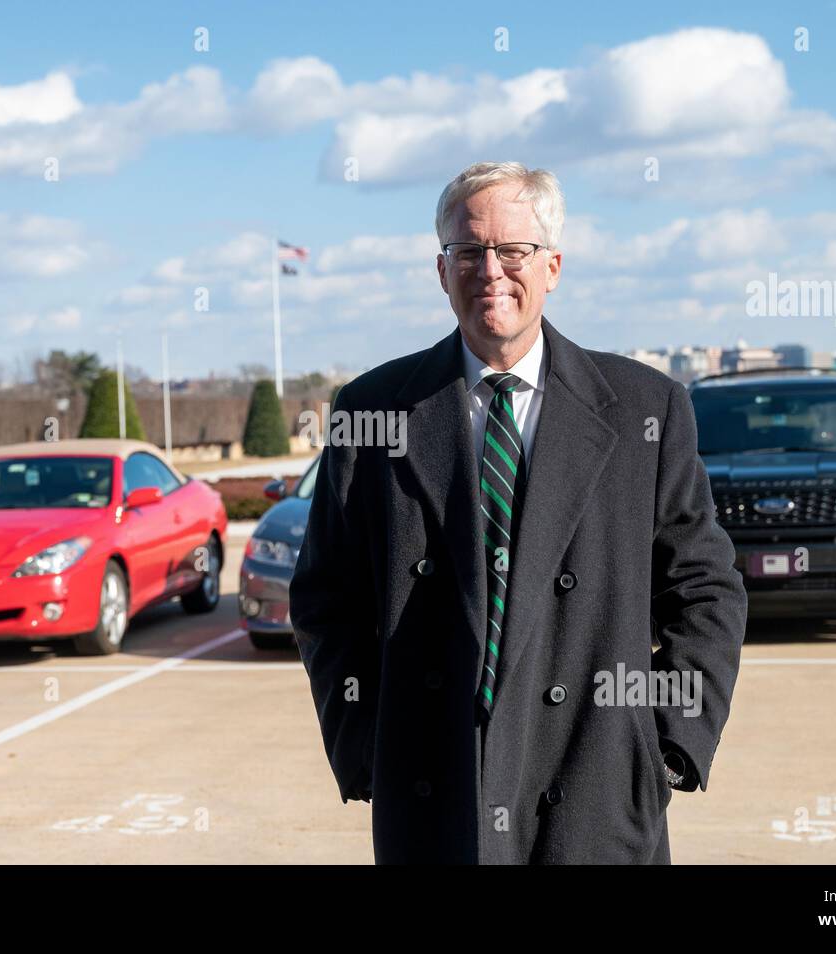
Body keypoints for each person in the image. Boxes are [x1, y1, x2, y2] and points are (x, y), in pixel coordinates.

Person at [290, 160, 747, 863]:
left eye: (513, 251)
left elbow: (705, 587)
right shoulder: (371, 410)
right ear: (441, 271)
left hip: (595, 791)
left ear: (553, 266)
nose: (490, 271)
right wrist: (365, 744)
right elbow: (327, 596)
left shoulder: (645, 408)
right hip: (434, 787)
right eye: (467, 251)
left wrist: (668, 743)